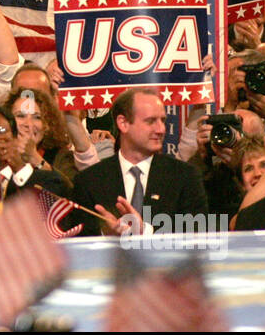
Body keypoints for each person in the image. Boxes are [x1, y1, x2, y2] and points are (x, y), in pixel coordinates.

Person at [68, 87, 208, 235]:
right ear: (123, 123)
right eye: (151, 121)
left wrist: (145, 232)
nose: (161, 129)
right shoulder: (89, 181)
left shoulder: (185, 177)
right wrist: (105, 235)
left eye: (163, 120)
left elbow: (197, 239)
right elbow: (77, 246)